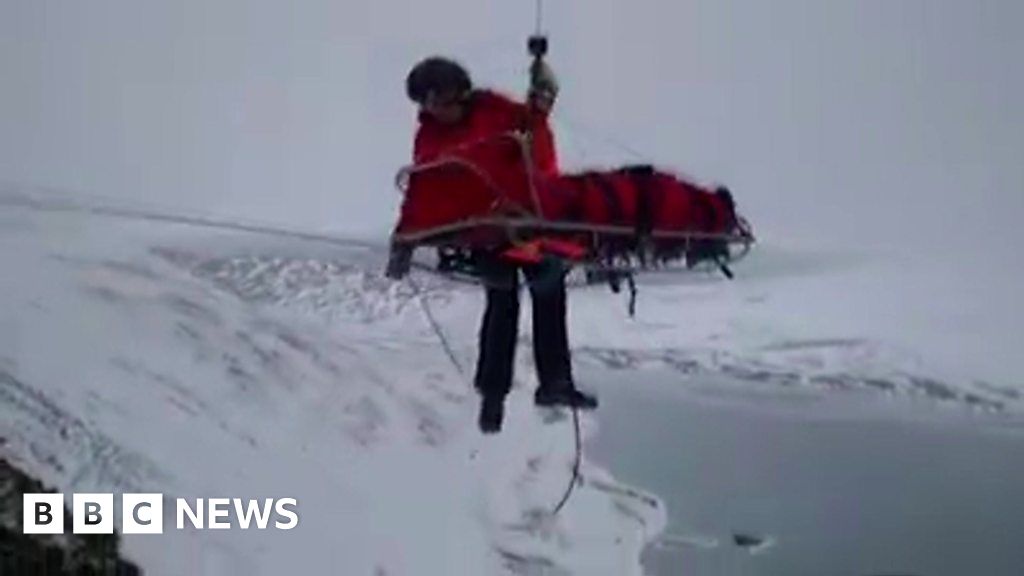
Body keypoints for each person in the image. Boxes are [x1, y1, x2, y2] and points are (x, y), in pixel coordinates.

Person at [388, 56, 597, 434]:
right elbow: (424, 189)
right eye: (427, 103)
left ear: (461, 94)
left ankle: (554, 384)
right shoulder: (431, 136)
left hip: (525, 223)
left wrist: (542, 102)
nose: (435, 109)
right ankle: (492, 395)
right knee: (502, 303)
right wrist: (404, 237)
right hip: (483, 232)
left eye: (441, 100)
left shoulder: (498, 113)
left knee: (548, 291)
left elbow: (536, 138)